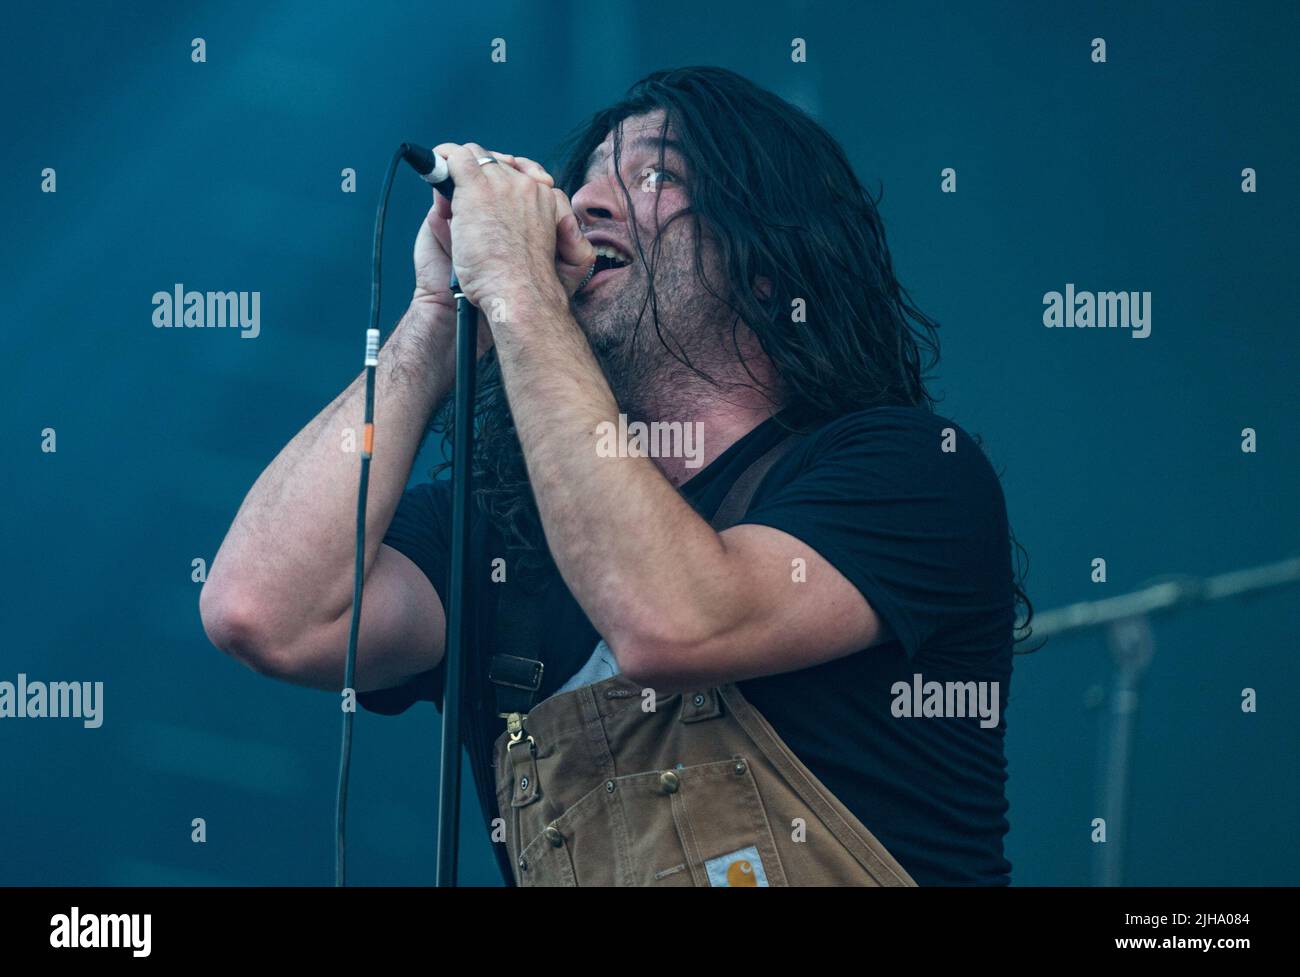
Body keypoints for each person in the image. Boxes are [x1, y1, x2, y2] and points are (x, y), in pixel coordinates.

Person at [200, 66, 1029, 887]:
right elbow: (262, 612)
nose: (586, 201)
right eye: (587, 175)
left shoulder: (910, 473)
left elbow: (672, 620)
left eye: (654, 173)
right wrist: (440, 316)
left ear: (768, 258)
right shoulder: (497, 539)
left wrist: (521, 289)